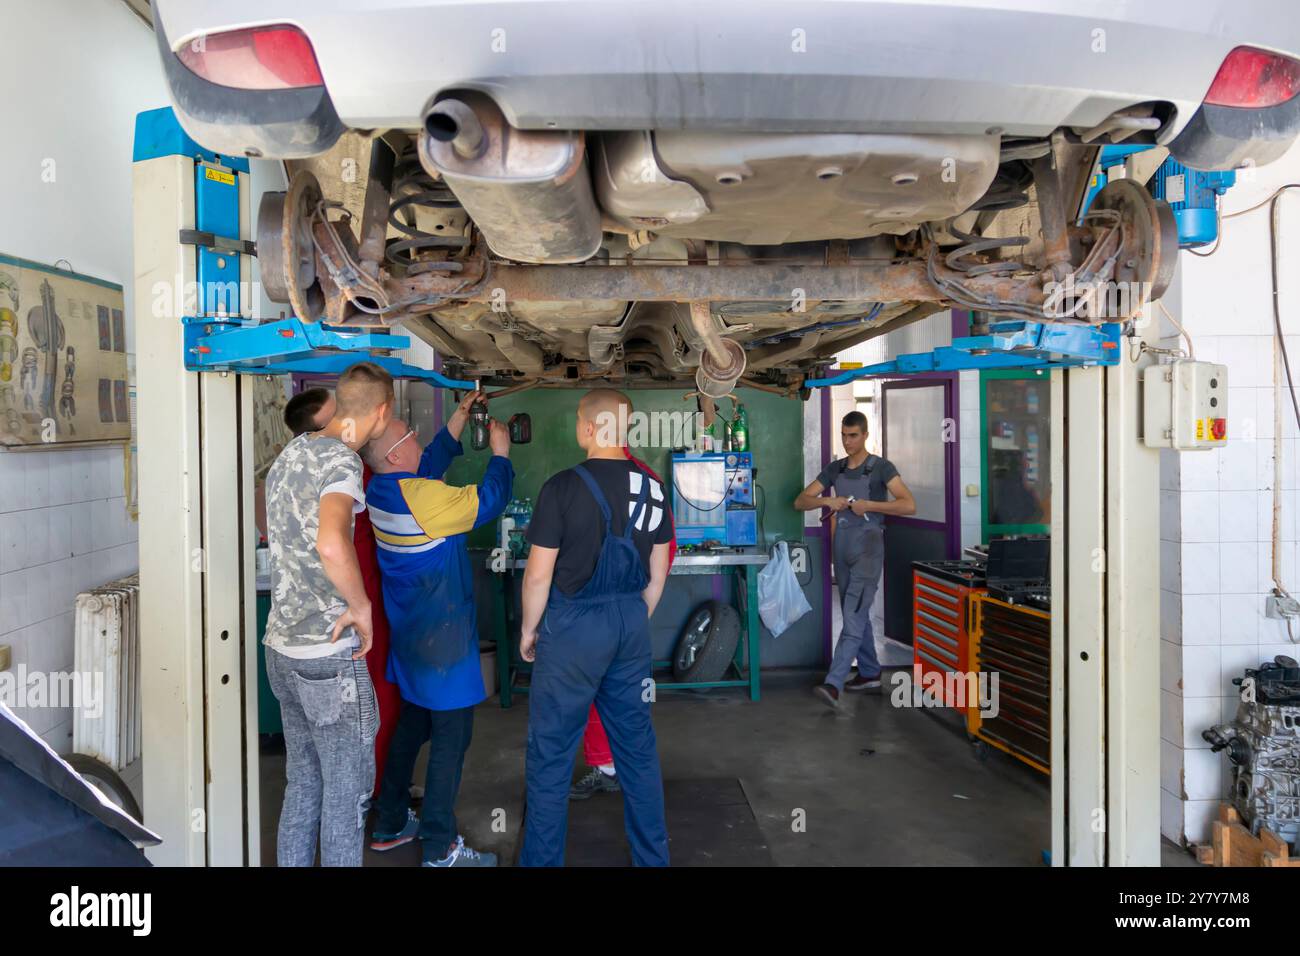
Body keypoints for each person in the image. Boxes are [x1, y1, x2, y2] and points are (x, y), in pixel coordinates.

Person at [519, 389, 672, 866]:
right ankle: (653, 860)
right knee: (637, 749)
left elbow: (538, 574)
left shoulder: (561, 487)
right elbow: (660, 567)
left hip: (572, 629)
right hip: (629, 623)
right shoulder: (653, 487)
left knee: (551, 754)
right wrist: (634, 617)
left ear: (587, 428)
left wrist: (529, 630)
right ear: (625, 430)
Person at [363, 392, 513, 867]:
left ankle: (389, 821)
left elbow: (424, 467)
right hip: (443, 643)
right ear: (393, 453)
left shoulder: (382, 490)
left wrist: (457, 421)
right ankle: (440, 847)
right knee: (452, 739)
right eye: (410, 435)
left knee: (413, 725)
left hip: (411, 638)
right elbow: (489, 500)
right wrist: (501, 454)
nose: (417, 440)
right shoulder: (425, 499)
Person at [262, 361, 394, 866]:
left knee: (304, 785)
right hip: (326, 656)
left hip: (281, 651)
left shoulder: (292, 452)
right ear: (380, 413)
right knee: (347, 795)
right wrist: (361, 607)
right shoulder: (341, 462)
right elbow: (332, 543)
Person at [570, 445, 677, 801]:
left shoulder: (578, 482)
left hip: (594, 614)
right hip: (629, 610)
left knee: (597, 693)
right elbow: (665, 554)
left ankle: (609, 769)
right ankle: (624, 772)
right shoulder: (649, 482)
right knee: (625, 696)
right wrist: (640, 611)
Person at [794, 410, 916, 710]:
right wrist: (827, 500)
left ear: (865, 435)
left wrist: (869, 505)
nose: (848, 441)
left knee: (852, 614)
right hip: (842, 547)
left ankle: (834, 684)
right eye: (844, 435)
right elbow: (800, 501)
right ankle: (871, 673)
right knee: (857, 613)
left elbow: (908, 504)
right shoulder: (834, 470)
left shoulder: (881, 468)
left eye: (853, 436)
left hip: (869, 546)